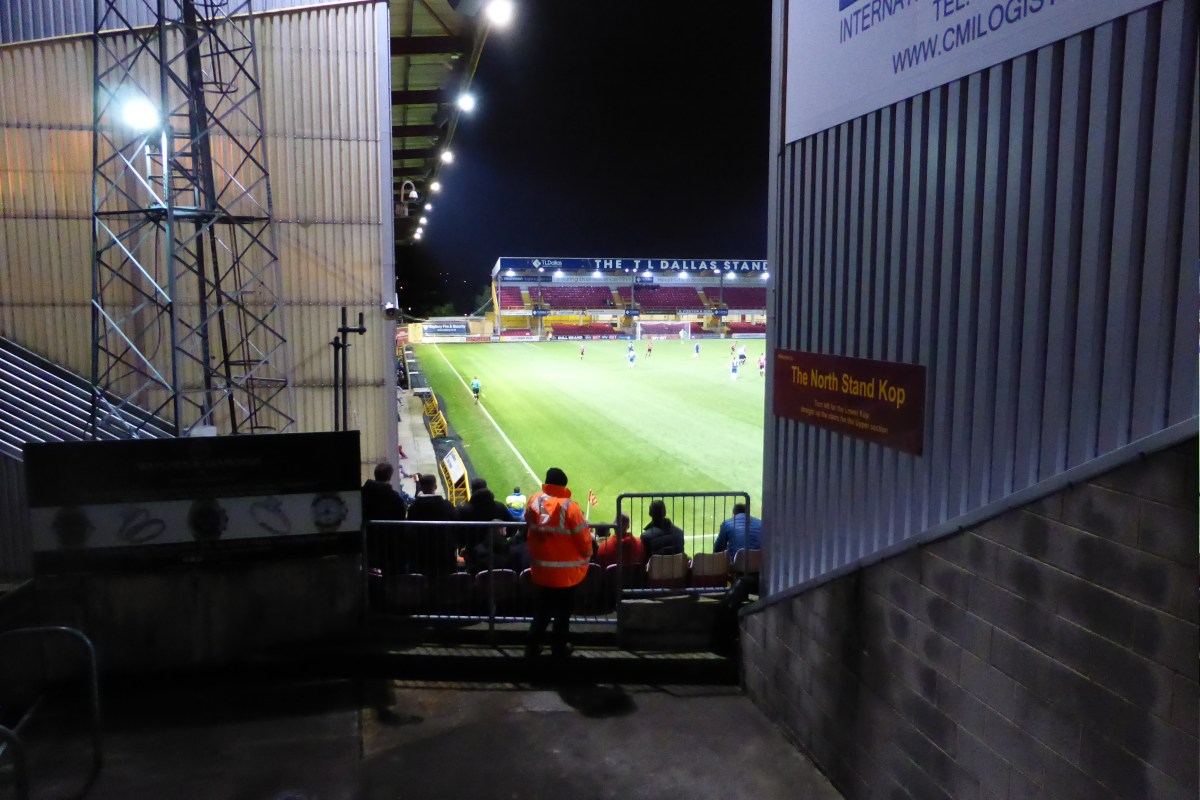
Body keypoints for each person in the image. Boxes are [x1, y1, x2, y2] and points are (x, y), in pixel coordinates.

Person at [524, 467, 592, 661]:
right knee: (562, 615)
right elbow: (584, 540)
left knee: (542, 613)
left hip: (540, 571)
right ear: (563, 485)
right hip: (565, 575)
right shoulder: (570, 507)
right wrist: (588, 555)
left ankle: (531, 649)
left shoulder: (533, 500)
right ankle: (559, 650)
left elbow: (528, 522)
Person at [403, 473, 459, 576]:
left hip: (421, 554)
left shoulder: (414, 508)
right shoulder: (446, 505)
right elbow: (456, 526)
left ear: (421, 487)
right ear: (435, 487)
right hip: (444, 553)